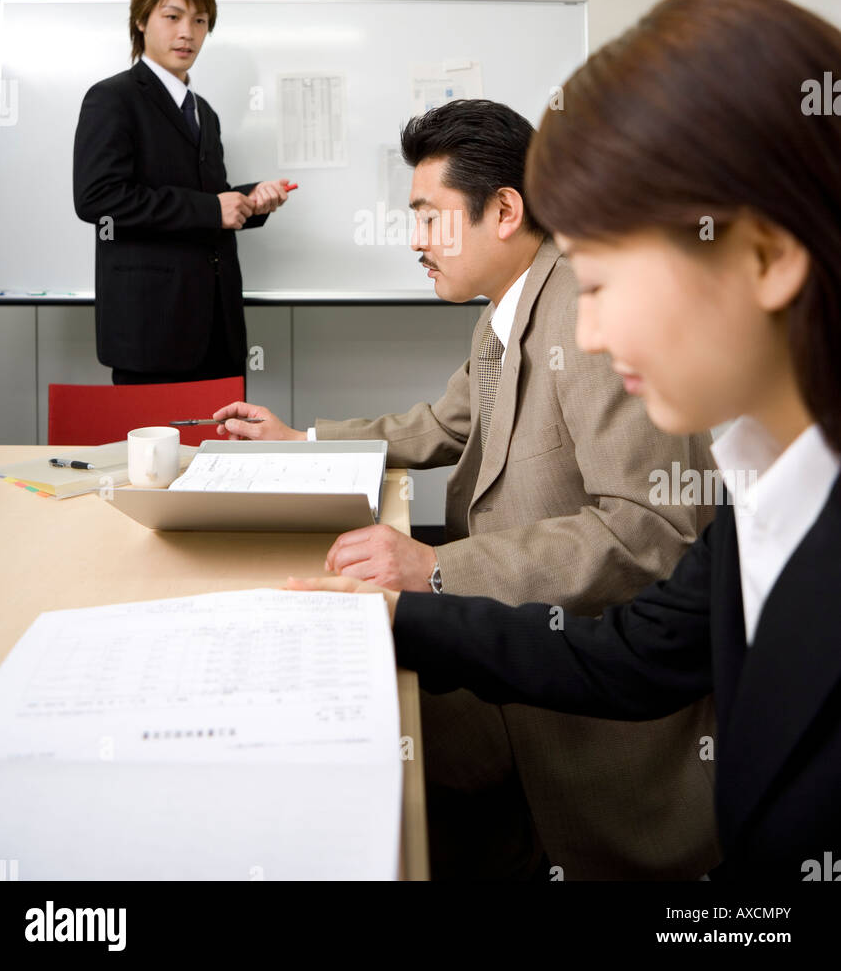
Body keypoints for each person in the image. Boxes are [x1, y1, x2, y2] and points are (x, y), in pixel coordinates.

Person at [287, 0, 841, 881]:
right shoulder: (762, 499)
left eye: (606, 275)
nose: (586, 331)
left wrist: (428, 577)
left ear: (765, 257)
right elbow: (634, 657)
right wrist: (400, 617)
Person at [215, 99, 720, 881]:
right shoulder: (504, 314)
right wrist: (303, 441)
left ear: (506, 210)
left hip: (592, 732)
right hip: (510, 662)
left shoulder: (586, 318)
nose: (414, 241)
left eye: (428, 216)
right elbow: (441, 423)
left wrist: (436, 571)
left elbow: (648, 530)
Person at [73, 0, 291, 384]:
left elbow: (205, 194)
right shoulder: (112, 98)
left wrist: (250, 199)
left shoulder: (204, 112)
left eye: (200, 21)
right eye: (172, 16)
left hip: (218, 326)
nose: (187, 33)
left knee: (220, 450)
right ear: (141, 20)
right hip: (152, 331)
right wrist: (212, 209)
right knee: (154, 454)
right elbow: (98, 200)